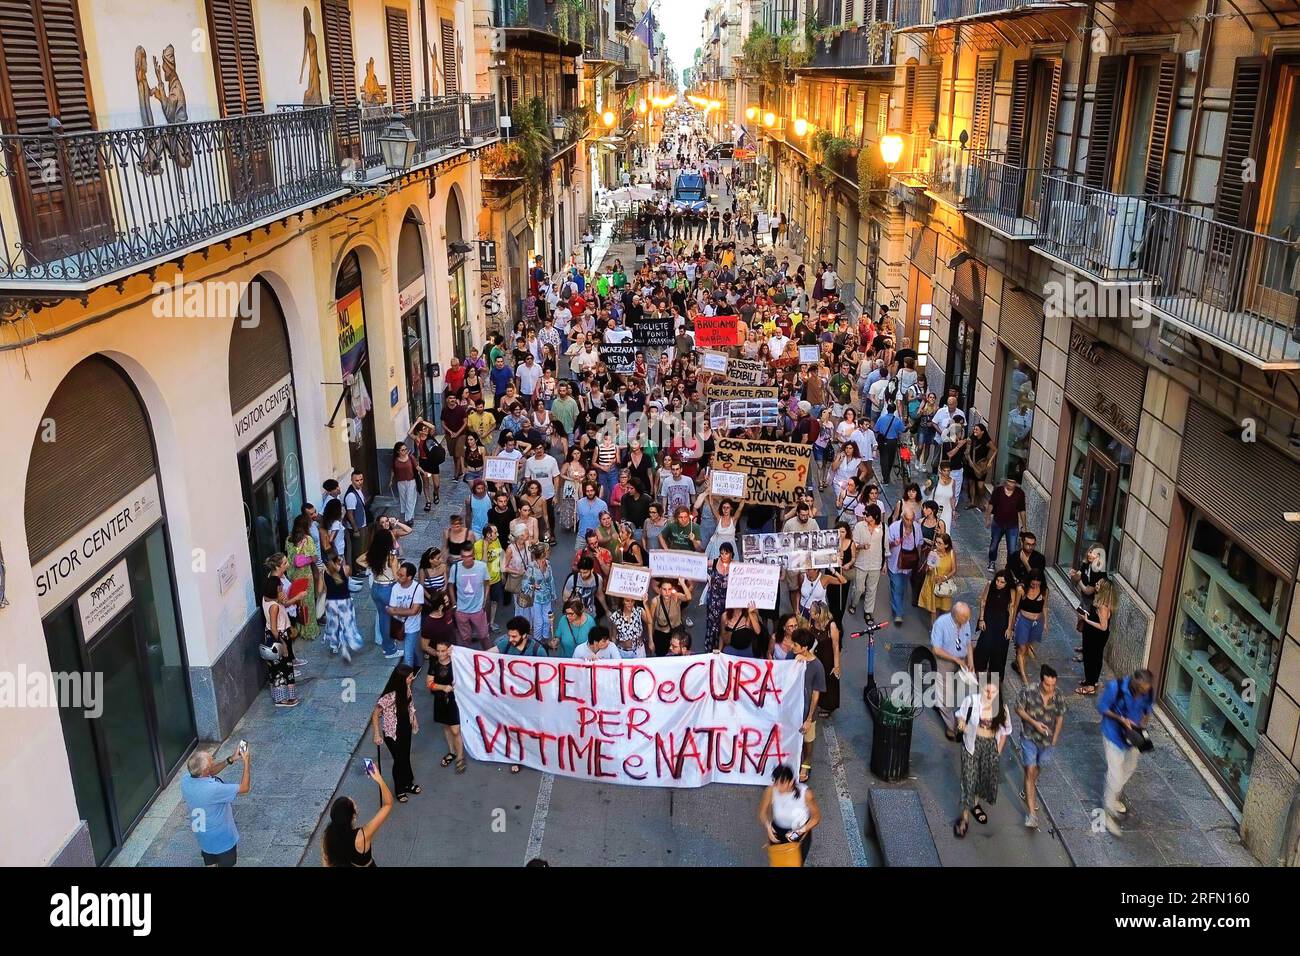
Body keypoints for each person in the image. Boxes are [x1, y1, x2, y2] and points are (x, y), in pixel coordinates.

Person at [1098, 669, 1156, 836]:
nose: (1142, 693)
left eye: (1145, 690)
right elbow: (1102, 707)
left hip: (1132, 738)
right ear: (1134, 683)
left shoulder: (1148, 690)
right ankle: (1107, 814)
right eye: (1140, 690)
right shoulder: (1115, 688)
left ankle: (1113, 793)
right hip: (1113, 735)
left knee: (1130, 768)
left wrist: (1142, 728)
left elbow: (1147, 710)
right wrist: (1120, 719)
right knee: (1115, 776)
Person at [952, 679, 1013, 838]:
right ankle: (965, 816)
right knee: (969, 779)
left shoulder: (1002, 709)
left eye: (993, 692)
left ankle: (975, 804)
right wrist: (961, 725)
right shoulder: (971, 701)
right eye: (987, 691)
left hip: (990, 747)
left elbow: (1006, 732)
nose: (989, 695)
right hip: (971, 745)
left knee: (981, 778)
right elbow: (960, 716)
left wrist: (998, 751)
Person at [180, 744, 251, 866]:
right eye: (211, 760)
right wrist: (246, 761)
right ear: (205, 770)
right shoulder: (213, 789)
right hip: (222, 840)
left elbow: (208, 772)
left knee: (210, 862)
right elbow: (245, 788)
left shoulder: (186, 780)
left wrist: (231, 759)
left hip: (204, 837)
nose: (213, 760)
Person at [1017, 664, 1066, 829]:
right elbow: (1019, 709)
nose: (1051, 688)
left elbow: (1060, 717)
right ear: (1040, 681)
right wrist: (1034, 723)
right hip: (1029, 738)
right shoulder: (1028, 691)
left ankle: (1027, 787)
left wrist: (1055, 739)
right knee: (1030, 771)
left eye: (1053, 685)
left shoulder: (1058, 695)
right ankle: (1032, 815)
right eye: (1047, 684)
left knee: (1038, 768)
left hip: (1047, 743)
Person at [321, 765, 392, 867]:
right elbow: (388, 804)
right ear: (353, 816)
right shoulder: (362, 836)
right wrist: (379, 779)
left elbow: (326, 863)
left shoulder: (328, 835)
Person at [371, 664, 420, 802]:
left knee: (405, 756)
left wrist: (414, 717)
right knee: (399, 760)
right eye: (410, 677)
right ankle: (400, 789)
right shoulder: (389, 696)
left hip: (405, 727)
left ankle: (408, 783)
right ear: (401, 679)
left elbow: (410, 703)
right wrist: (376, 734)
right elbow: (375, 714)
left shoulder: (406, 687)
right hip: (392, 733)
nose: (412, 678)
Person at [758, 764, 821, 866]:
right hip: (777, 833)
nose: (778, 787)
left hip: (799, 833)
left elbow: (816, 818)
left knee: (794, 864)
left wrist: (798, 833)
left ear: (791, 782)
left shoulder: (805, 794)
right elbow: (762, 813)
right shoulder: (770, 790)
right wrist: (768, 827)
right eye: (776, 782)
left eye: (782, 783)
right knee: (777, 862)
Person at [930, 602, 975, 740]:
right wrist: (955, 659)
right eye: (964, 618)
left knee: (961, 693)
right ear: (956, 616)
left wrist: (970, 660)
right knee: (945, 697)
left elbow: (968, 642)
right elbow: (936, 649)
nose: (967, 621)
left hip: (960, 662)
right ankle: (951, 728)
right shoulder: (941, 624)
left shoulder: (965, 622)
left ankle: (944, 708)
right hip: (945, 662)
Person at [791, 628, 826, 784]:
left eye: (795, 644)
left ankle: (806, 764)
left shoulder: (817, 666)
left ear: (804, 648)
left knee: (808, 740)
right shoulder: (793, 659)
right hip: (793, 709)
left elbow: (816, 694)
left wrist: (809, 718)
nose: (792, 646)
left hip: (807, 712)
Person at [973, 568, 1017, 683]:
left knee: (1000, 648)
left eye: (1002, 582)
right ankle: (979, 670)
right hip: (989, 617)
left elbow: (1011, 609)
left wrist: (1009, 628)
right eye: (998, 580)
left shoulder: (1011, 590)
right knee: (984, 644)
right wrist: (981, 619)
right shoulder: (990, 585)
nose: (999, 584)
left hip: (1002, 620)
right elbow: (983, 601)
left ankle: (995, 673)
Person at [321, 549, 365, 662]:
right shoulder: (346, 569)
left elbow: (323, 589)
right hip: (344, 601)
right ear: (338, 559)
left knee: (333, 623)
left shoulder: (324, 573)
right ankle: (351, 643)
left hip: (330, 601)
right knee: (348, 623)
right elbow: (348, 577)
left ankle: (334, 646)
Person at [260, 576, 298, 707]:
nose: (282, 587)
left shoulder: (266, 599)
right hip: (278, 638)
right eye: (280, 585)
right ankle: (283, 699)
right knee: (283, 668)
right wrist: (284, 645)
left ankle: (278, 696)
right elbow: (275, 629)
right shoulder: (274, 606)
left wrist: (281, 599)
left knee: (275, 668)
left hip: (270, 637)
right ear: (276, 588)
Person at [1076, 577, 1117, 695]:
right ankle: (1091, 680)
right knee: (1092, 657)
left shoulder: (1103, 606)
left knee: (1092, 658)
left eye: (1099, 584)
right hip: (1092, 633)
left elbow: (1103, 627)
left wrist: (1087, 620)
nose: (1096, 585)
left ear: (1104, 589)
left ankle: (1090, 685)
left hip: (1096, 635)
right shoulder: (1099, 600)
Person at [449, 547, 491, 649]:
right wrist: (454, 604)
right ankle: (467, 660)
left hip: (478, 609)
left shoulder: (482, 567)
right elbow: (450, 585)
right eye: (464, 557)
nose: (467, 559)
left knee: (484, 636)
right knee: (465, 638)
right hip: (461, 610)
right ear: (461, 557)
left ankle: (489, 657)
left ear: (473, 556)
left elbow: (487, 583)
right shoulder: (455, 568)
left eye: (469, 556)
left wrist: (484, 601)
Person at [985, 475, 1026, 572]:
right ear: (1006, 481)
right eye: (1009, 481)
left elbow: (1022, 510)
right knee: (993, 545)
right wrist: (987, 518)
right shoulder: (998, 491)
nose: (1011, 484)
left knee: (1012, 549)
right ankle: (992, 561)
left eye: (1013, 482)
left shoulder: (1020, 493)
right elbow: (991, 505)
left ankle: (1009, 567)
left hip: (1012, 525)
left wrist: (1024, 525)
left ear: (1016, 483)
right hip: (998, 523)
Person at [388, 561, 424, 670]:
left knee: (408, 655)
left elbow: (414, 611)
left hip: (412, 627)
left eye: (401, 575)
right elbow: (393, 608)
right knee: (412, 649)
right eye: (398, 574)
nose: (398, 577)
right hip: (399, 627)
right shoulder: (395, 588)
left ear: (410, 577)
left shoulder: (418, 588)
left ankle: (408, 680)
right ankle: (419, 665)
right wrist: (407, 610)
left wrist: (395, 611)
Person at [1012, 574, 1049, 683]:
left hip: (1037, 622)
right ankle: (1024, 676)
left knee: (1026, 646)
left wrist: (1045, 622)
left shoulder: (1044, 591)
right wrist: (1013, 620)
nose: (1035, 586)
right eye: (1033, 584)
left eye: (1038, 584)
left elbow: (1045, 607)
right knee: (1022, 648)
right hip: (1024, 620)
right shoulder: (1022, 590)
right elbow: (1015, 606)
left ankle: (1017, 662)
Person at [917, 532, 957, 625]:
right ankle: (934, 628)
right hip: (933, 582)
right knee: (933, 609)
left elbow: (954, 570)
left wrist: (945, 578)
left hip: (945, 583)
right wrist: (929, 568)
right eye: (936, 542)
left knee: (945, 609)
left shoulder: (951, 553)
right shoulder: (933, 553)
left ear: (946, 545)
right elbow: (927, 568)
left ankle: (943, 627)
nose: (937, 545)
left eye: (940, 543)